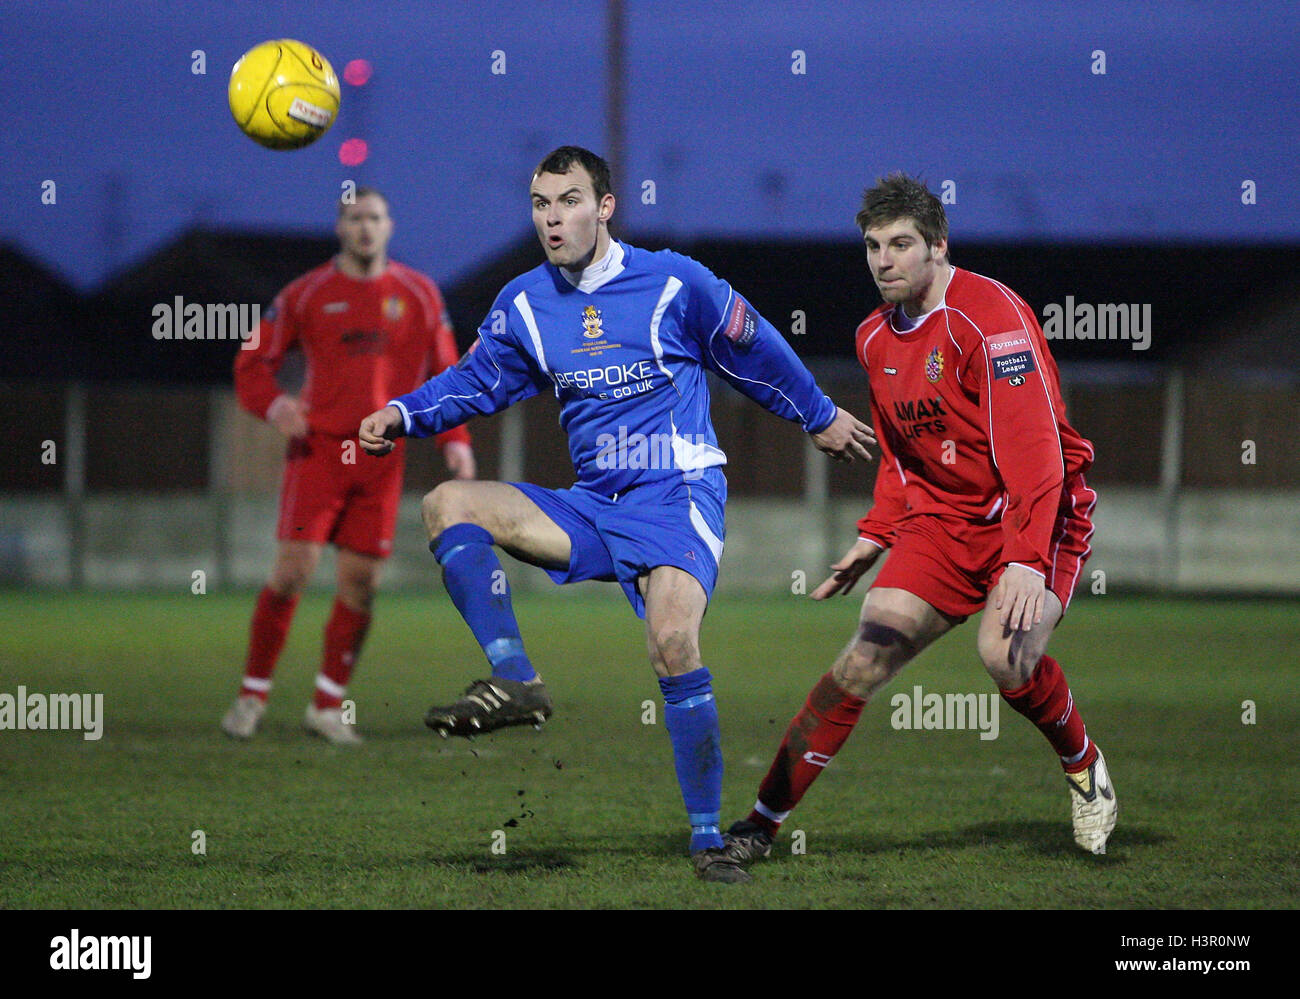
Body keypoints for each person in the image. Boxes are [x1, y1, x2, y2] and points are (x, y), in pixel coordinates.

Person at [359, 146, 874, 882]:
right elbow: (475, 381)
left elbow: (752, 344)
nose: (551, 218)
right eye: (540, 204)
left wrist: (818, 414)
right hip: (596, 505)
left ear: (604, 207)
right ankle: (515, 680)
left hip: (678, 494)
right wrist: (402, 412)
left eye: (568, 201)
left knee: (671, 643)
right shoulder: (525, 304)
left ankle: (706, 842)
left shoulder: (674, 282)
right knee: (448, 502)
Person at [724, 174, 1117, 866]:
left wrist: (1026, 558)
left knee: (1004, 656)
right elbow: (902, 456)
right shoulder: (874, 337)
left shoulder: (987, 317)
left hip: (1037, 514)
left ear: (939, 245)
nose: (884, 260)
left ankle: (1083, 766)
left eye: (901, 244)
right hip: (942, 523)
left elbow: (1037, 454)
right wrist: (876, 533)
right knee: (861, 658)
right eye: (873, 246)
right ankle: (760, 823)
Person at [221, 188, 476, 746]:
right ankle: (251, 696)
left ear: (390, 226)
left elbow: (447, 373)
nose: (366, 227)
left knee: (361, 587)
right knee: (292, 574)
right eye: (355, 218)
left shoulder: (421, 294)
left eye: (376, 218)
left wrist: (455, 439)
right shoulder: (305, 294)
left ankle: (327, 706)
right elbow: (251, 361)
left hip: (381, 459)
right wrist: (276, 404)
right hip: (318, 455)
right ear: (340, 226)